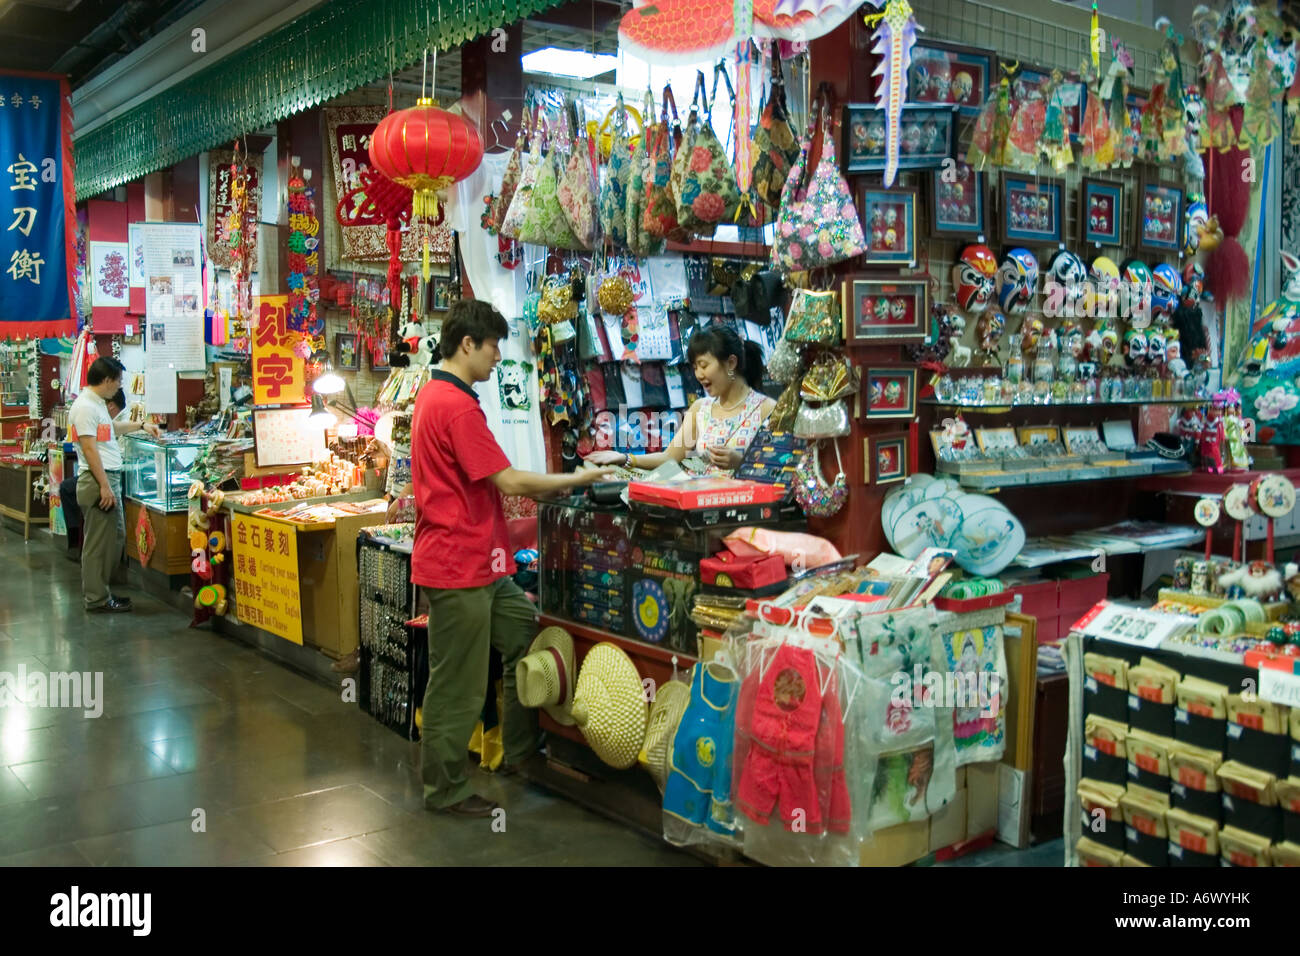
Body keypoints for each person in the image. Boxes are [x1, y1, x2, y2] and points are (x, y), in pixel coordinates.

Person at [391, 300, 613, 818]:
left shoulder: (435, 394)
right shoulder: (455, 405)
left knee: (524, 639)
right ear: (467, 344)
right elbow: (509, 481)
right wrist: (576, 479)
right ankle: (443, 789)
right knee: (457, 683)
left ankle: (517, 752)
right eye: (492, 346)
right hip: (458, 563)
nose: (496, 358)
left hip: (481, 563)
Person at [584, 326, 775, 473]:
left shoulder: (767, 409)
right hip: (701, 506)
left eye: (704, 365)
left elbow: (781, 468)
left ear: (731, 363)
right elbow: (670, 457)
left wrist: (741, 461)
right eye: (695, 367)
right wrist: (624, 458)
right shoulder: (701, 409)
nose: (698, 375)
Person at [69, 358, 161, 612]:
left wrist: (142, 426)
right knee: (99, 544)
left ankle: (101, 592)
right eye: (119, 380)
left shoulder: (96, 404)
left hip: (105, 479)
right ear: (107, 380)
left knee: (112, 539)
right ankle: (96, 598)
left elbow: (111, 429)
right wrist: (104, 486)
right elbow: (89, 449)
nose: (120, 385)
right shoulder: (86, 407)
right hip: (98, 480)